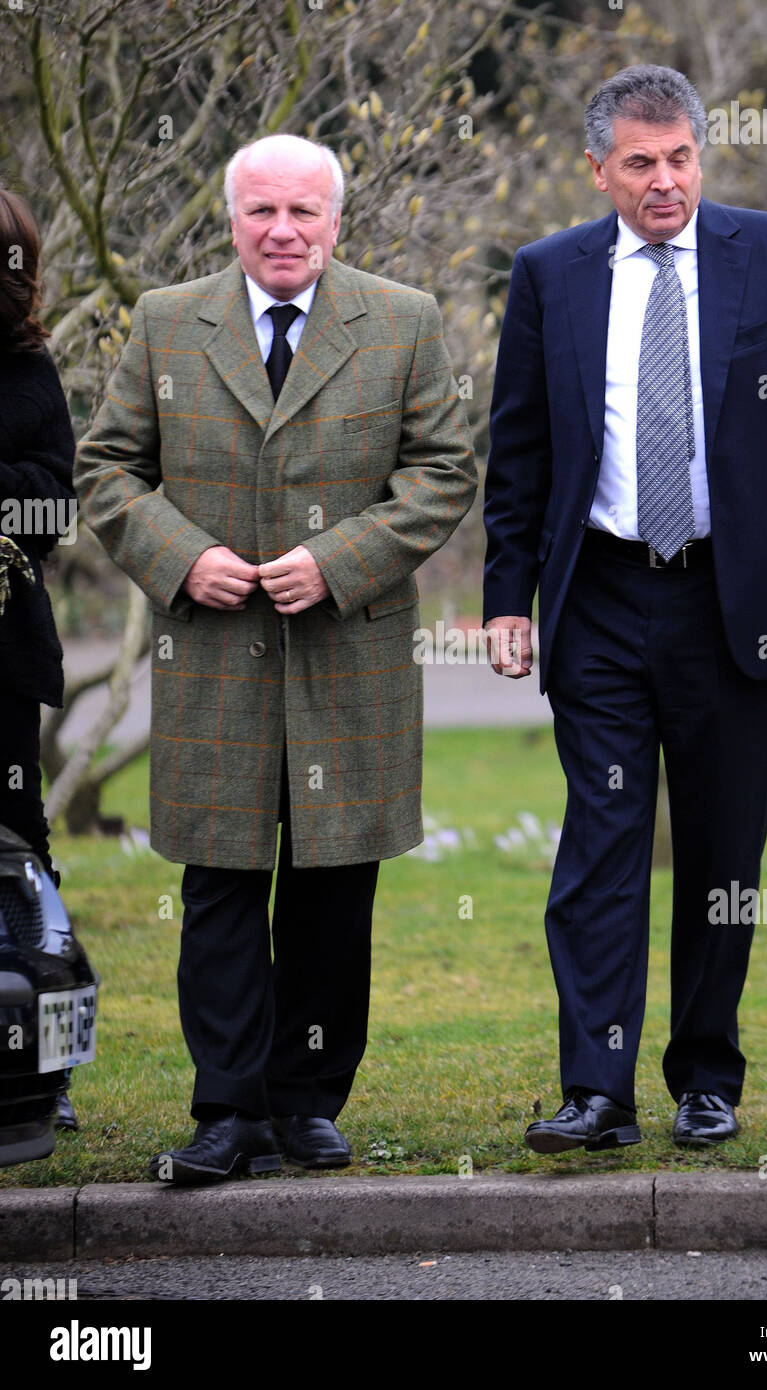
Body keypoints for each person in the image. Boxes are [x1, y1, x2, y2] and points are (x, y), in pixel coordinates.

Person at [483, 65, 767, 1153]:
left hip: (734, 603)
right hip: (599, 600)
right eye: (642, 163)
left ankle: (707, 1074)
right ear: (598, 167)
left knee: (721, 854)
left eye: (682, 157)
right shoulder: (547, 274)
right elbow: (516, 455)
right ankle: (596, 1091)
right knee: (598, 847)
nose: (666, 182)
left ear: (702, 154)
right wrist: (505, 599)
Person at [75, 134, 476, 1184]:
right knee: (219, 891)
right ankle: (226, 1112)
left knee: (332, 893)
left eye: (304, 212)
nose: (284, 231)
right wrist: (183, 554)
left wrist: (339, 560)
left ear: (338, 221)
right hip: (213, 660)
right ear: (233, 219)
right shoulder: (167, 321)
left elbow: (443, 472)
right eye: (262, 212)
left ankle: (306, 1106)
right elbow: (108, 468)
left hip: (352, 656)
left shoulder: (403, 320)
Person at [0, 188, 78, 1133]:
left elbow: (52, 512)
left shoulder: (29, 371)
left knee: (20, 864)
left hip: (1, 662)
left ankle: (46, 1077)